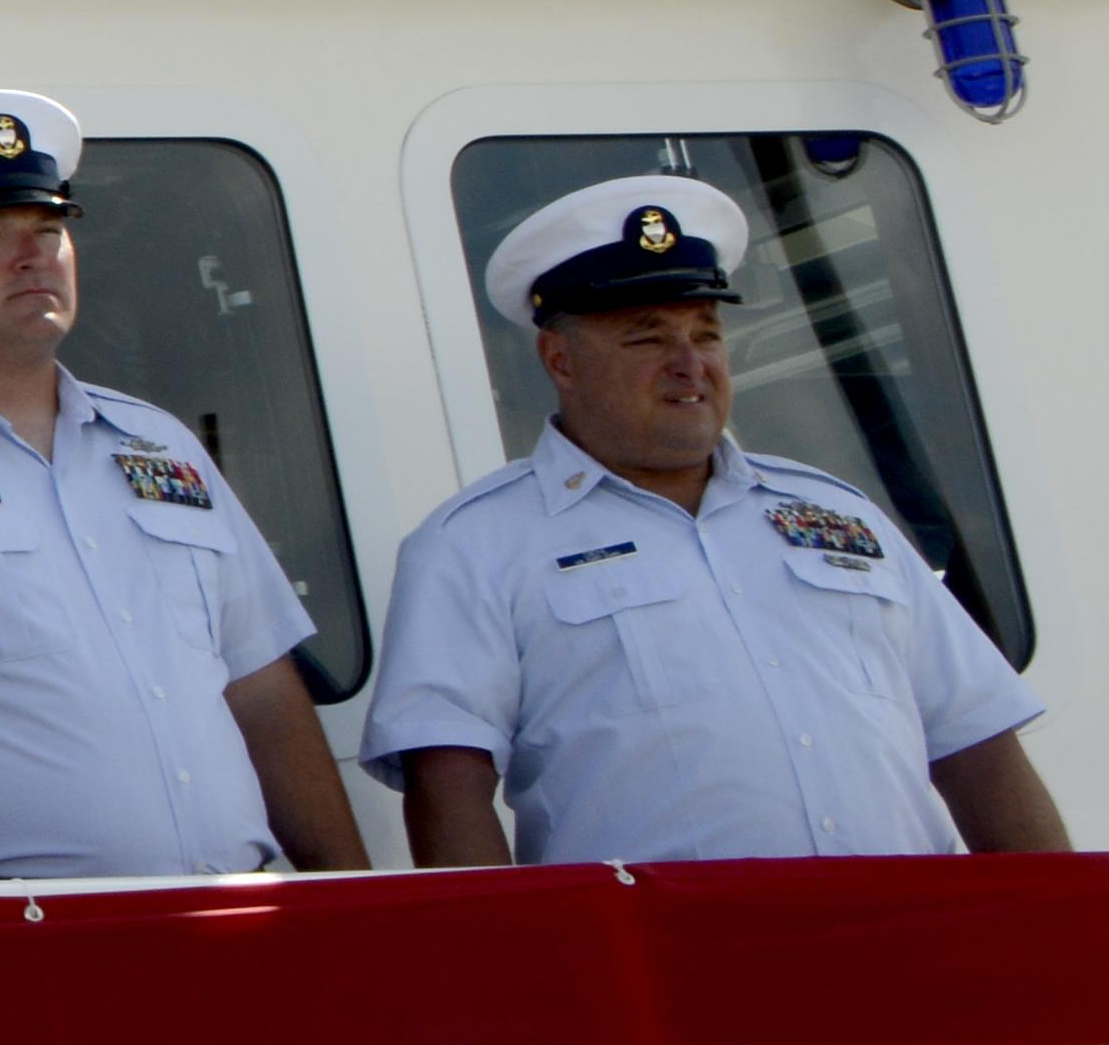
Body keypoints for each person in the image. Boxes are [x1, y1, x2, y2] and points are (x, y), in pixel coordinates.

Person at [0, 92, 369, 882]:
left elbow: (264, 692)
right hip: (13, 934)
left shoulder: (162, 443)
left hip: (234, 915)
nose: (33, 257)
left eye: (48, 232)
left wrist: (356, 901)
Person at [369, 175, 1066, 868]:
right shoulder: (475, 544)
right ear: (561, 360)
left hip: (903, 940)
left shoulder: (842, 515)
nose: (690, 364)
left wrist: (1069, 942)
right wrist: (509, 972)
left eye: (707, 334)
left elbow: (977, 745)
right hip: (660, 957)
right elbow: (448, 786)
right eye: (648, 340)